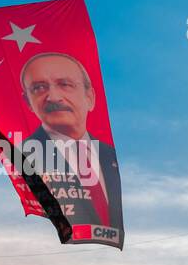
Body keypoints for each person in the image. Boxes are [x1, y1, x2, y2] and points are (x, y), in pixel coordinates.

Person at [19, 52, 123, 232]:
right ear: (28, 102)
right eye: (39, 88)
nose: (53, 97)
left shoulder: (109, 156)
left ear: (90, 97)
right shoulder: (23, 156)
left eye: (65, 84)